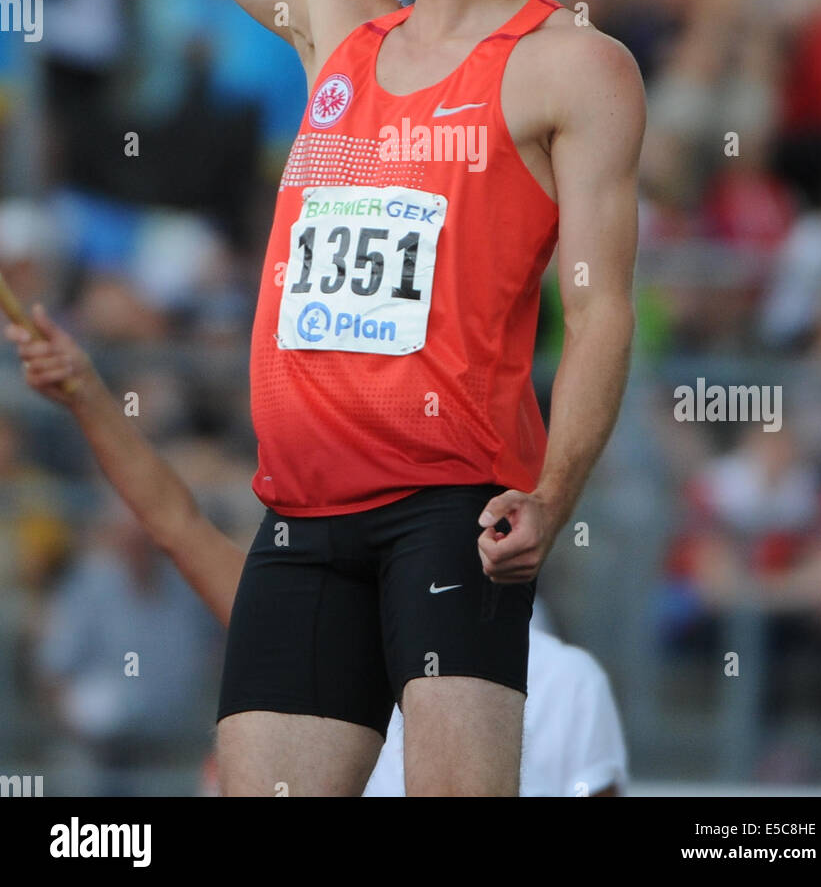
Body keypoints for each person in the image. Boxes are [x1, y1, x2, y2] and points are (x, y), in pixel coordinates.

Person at [102, 0, 645, 797]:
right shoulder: (335, 23)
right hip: (299, 513)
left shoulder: (569, 68)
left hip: (450, 509)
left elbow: (602, 303)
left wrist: (553, 494)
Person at [6, 314, 629, 797]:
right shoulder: (313, 615)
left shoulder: (564, 682)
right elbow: (177, 524)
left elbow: (180, 526)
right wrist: (86, 392)